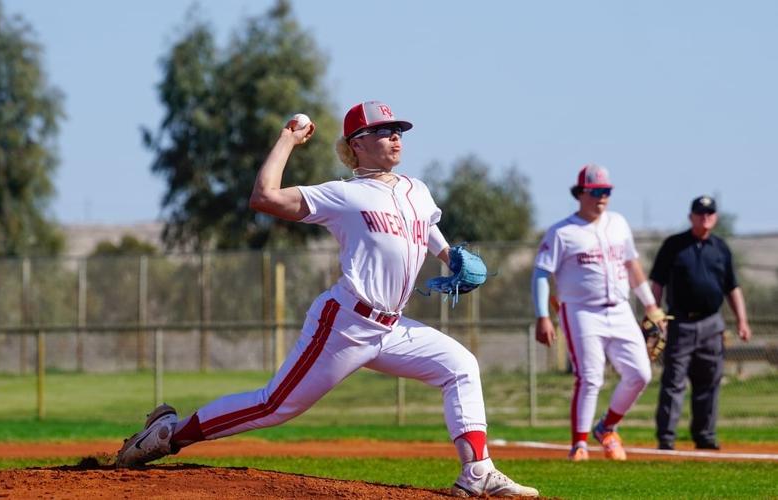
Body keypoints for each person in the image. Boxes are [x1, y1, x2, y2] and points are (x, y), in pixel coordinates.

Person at [115, 101, 539, 498]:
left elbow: (426, 228)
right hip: (346, 324)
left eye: (398, 131)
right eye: (383, 131)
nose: (395, 138)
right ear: (357, 145)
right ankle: (170, 435)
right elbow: (264, 197)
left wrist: (451, 257)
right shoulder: (344, 194)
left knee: (461, 365)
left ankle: (477, 471)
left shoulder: (417, 190)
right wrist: (287, 140)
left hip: (394, 328)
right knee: (274, 405)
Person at [531, 164, 668, 462]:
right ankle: (579, 444)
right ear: (580, 193)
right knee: (590, 377)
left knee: (640, 373)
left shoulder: (618, 223)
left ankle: (606, 427)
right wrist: (543, 315)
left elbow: (632, 266)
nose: (602, 197)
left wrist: (651, 306)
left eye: (606, 191)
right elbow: (541, 274)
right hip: (581, 311)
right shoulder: (562, 232)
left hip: (620, 309)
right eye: (595, 192)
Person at [650, 195, 751, 451]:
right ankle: (667, 437)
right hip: (681, 323)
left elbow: (732, 287)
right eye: (700, 213)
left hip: (712, 324)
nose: (705, 217)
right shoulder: (674, 245)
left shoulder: (720, 248)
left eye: (709, 214)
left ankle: (705, 435)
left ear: (715, 218)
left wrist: (742, 320)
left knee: (709, 381)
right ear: (691, 216)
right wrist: (655, 314)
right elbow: (658, 282)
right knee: (674, 382)